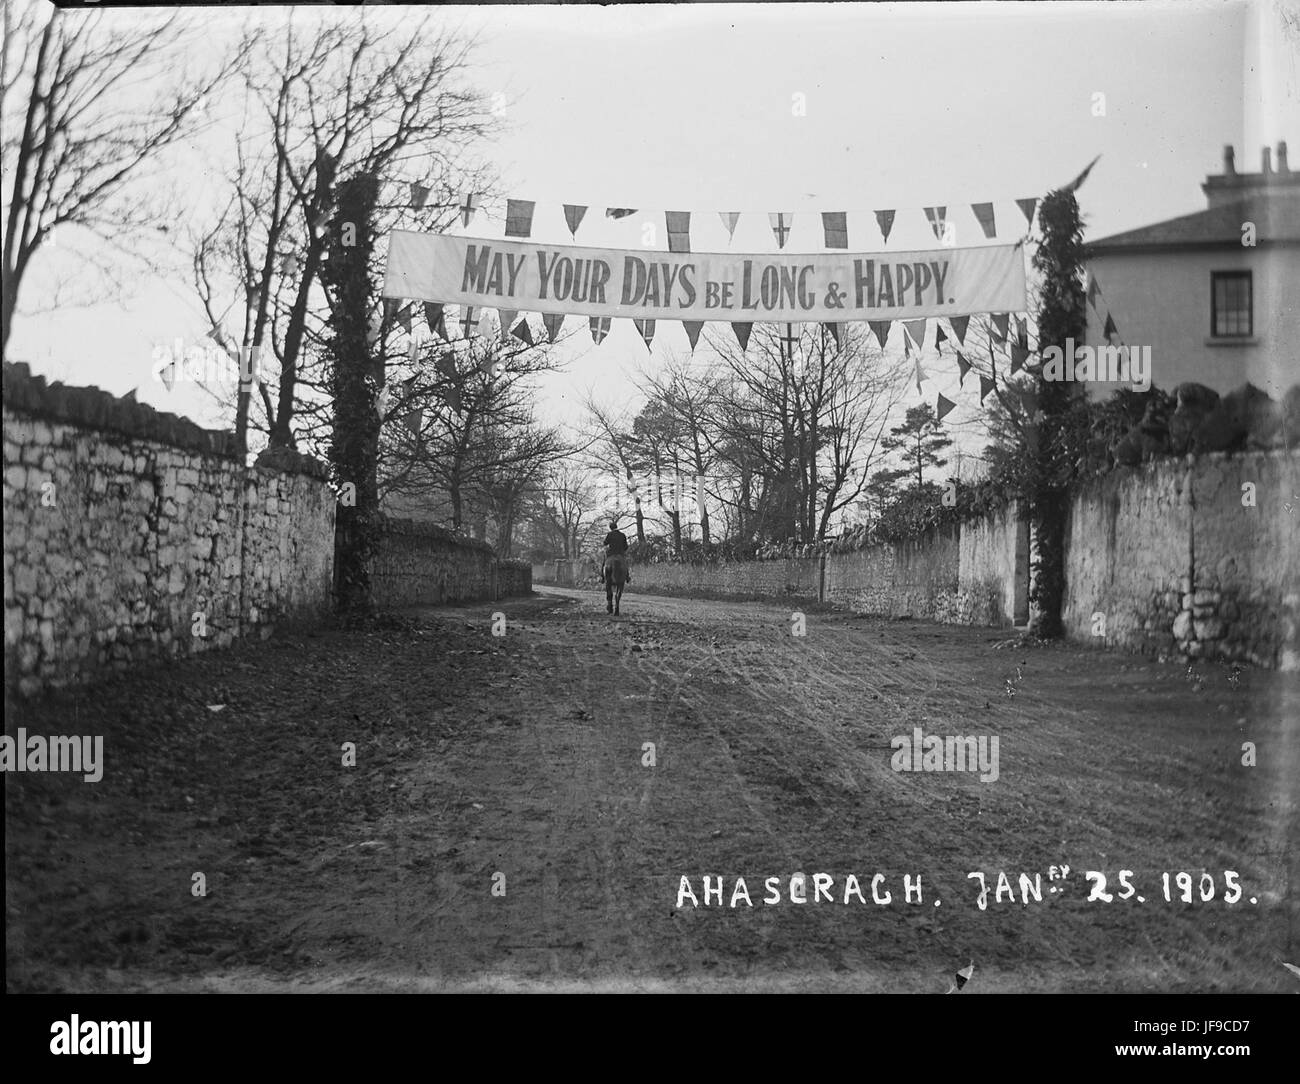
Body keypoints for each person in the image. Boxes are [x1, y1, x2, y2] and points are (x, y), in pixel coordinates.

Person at [601, 520, 630, 586]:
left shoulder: (609, 534)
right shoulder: (622, 535)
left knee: (604, 562)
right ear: (616, 527)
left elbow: (605, 543)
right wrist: (623, 550)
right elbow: (626, 546)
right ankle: (627, 577)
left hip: (611, 553)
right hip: (620, 553)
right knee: (625, 563)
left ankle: (602, 577)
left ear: (610, 528)